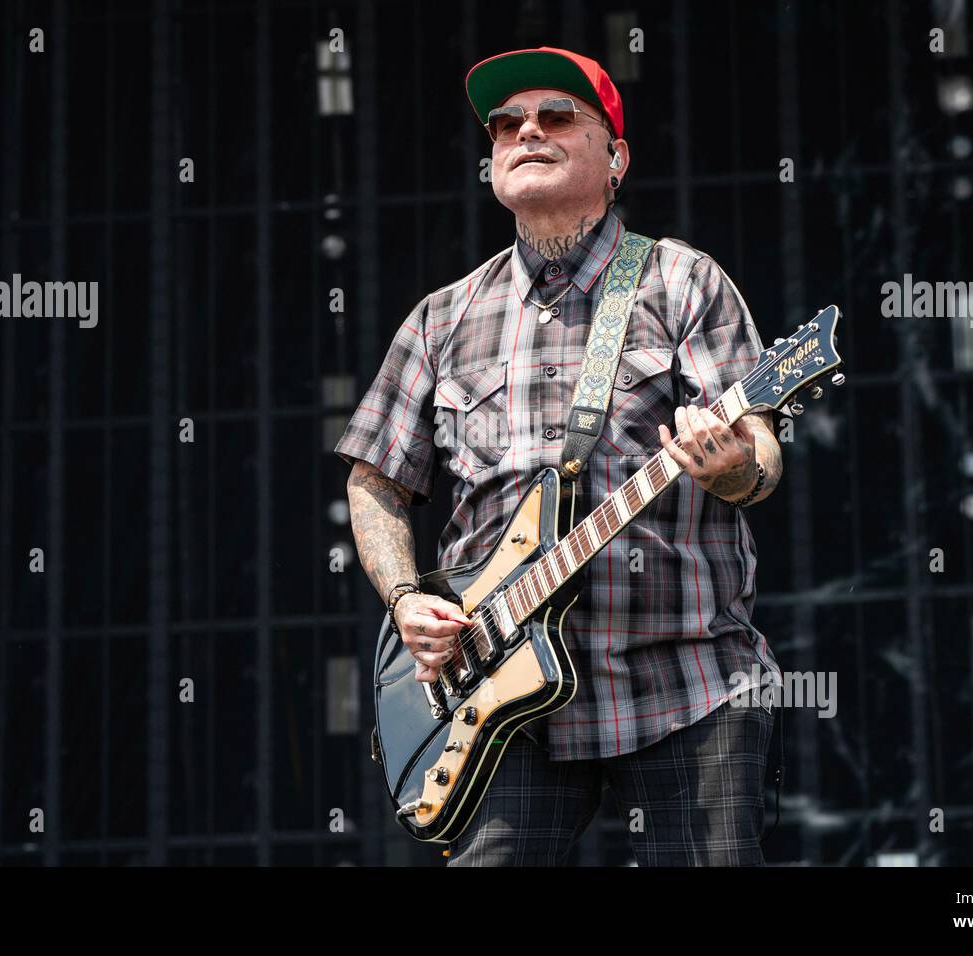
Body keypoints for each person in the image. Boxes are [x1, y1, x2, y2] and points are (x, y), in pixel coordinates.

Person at [335, 46, 784, 866]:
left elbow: (759, 455)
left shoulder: (683, 282)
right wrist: (405, 598)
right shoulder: (440, 319)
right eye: (507, 124)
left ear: (615, 157)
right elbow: (375, 483)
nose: (526, 131)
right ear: (491, 161)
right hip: (494, 698)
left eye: (556, 117)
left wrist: (729, 466)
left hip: (685, 682)